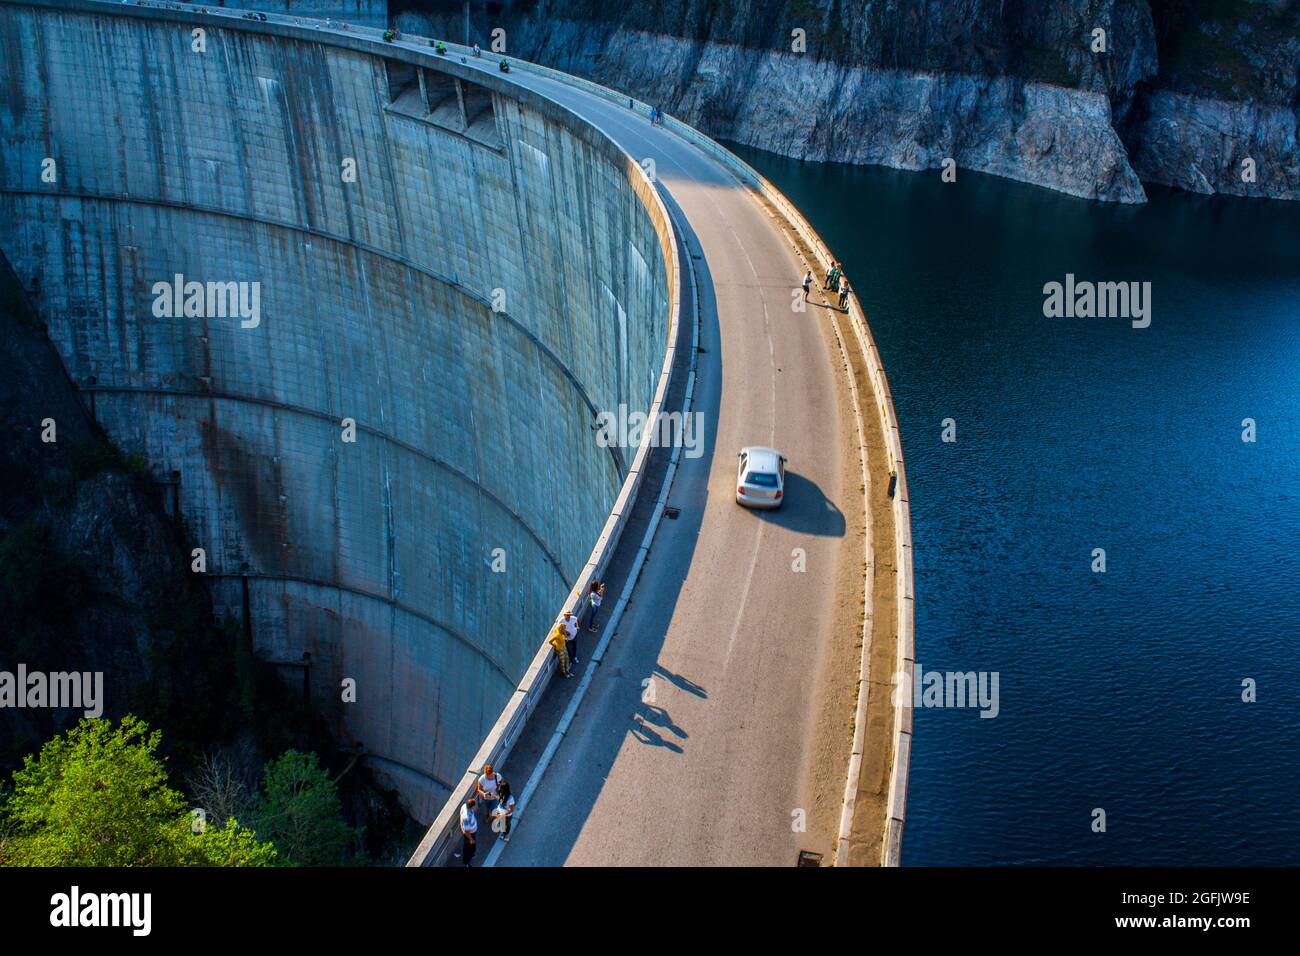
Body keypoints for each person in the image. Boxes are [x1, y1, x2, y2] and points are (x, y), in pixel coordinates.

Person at [457, 798, 478, 866]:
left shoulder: (465, 806)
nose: (475, 806)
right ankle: (466, 862)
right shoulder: (466, 817)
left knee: (472, 846)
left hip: (472, 832)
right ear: (472, 806)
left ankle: (472, 854)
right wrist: (471, 839)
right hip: (470, 834)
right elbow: (466, 831)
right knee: (467, 848)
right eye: (474, 805)